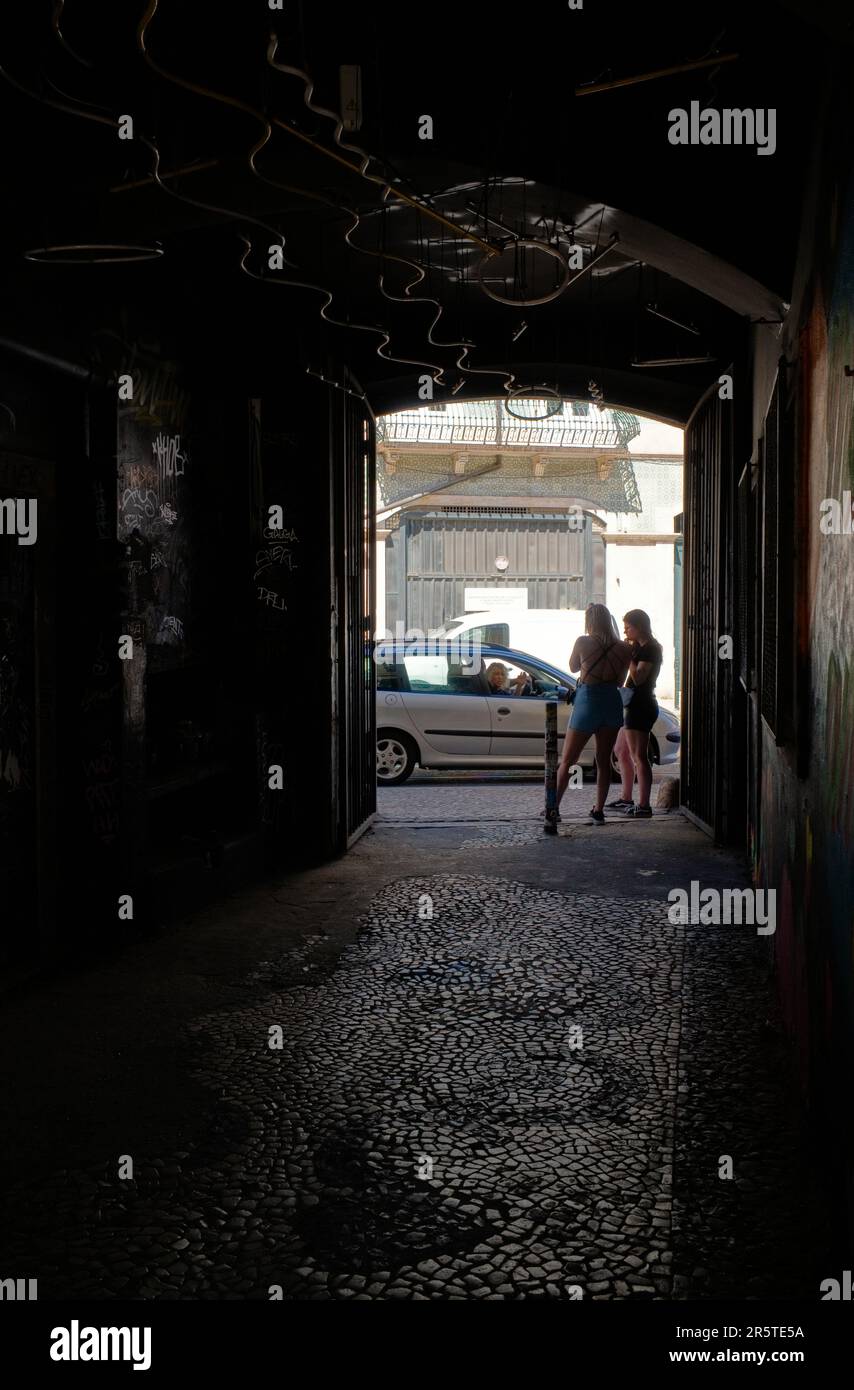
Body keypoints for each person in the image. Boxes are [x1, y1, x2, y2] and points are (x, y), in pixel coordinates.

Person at [556, 603, 632, 824]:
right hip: (611, 702)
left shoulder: (583, 641)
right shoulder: (624, 648)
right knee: (603, 760)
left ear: (589, 622)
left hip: (587, 701)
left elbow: (572, 667)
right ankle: (598, 809)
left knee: (569, 759)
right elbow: (620, 681)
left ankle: (554, 807)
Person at [609, 608, 663, 818]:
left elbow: (639, 677)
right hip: (633, 704)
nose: (625, 632)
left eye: (628, 627)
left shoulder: (650, 649)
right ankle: (626, 797)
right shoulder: (641, 647)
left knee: (639, 755)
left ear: (639, 626)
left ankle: (643, 805)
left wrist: (629, 658)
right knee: (621, 750)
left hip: (641, 704)